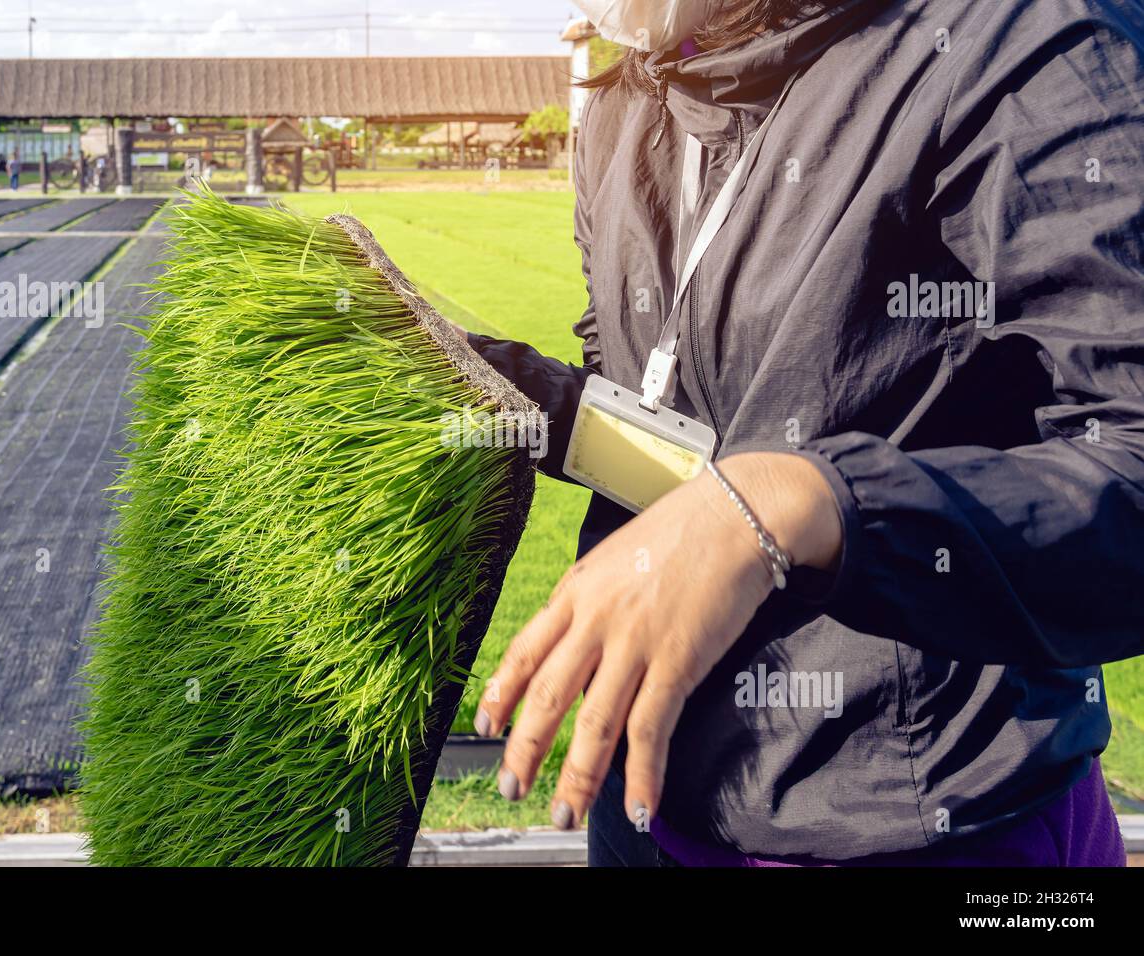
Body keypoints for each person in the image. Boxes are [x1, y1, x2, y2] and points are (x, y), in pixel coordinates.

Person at [468, 0, 1144, 866]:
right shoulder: (628, 95)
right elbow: (668, 418)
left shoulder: (1020, 43)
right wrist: (497, 388)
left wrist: (802, 501)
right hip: (648, 801)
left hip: (927, 828)